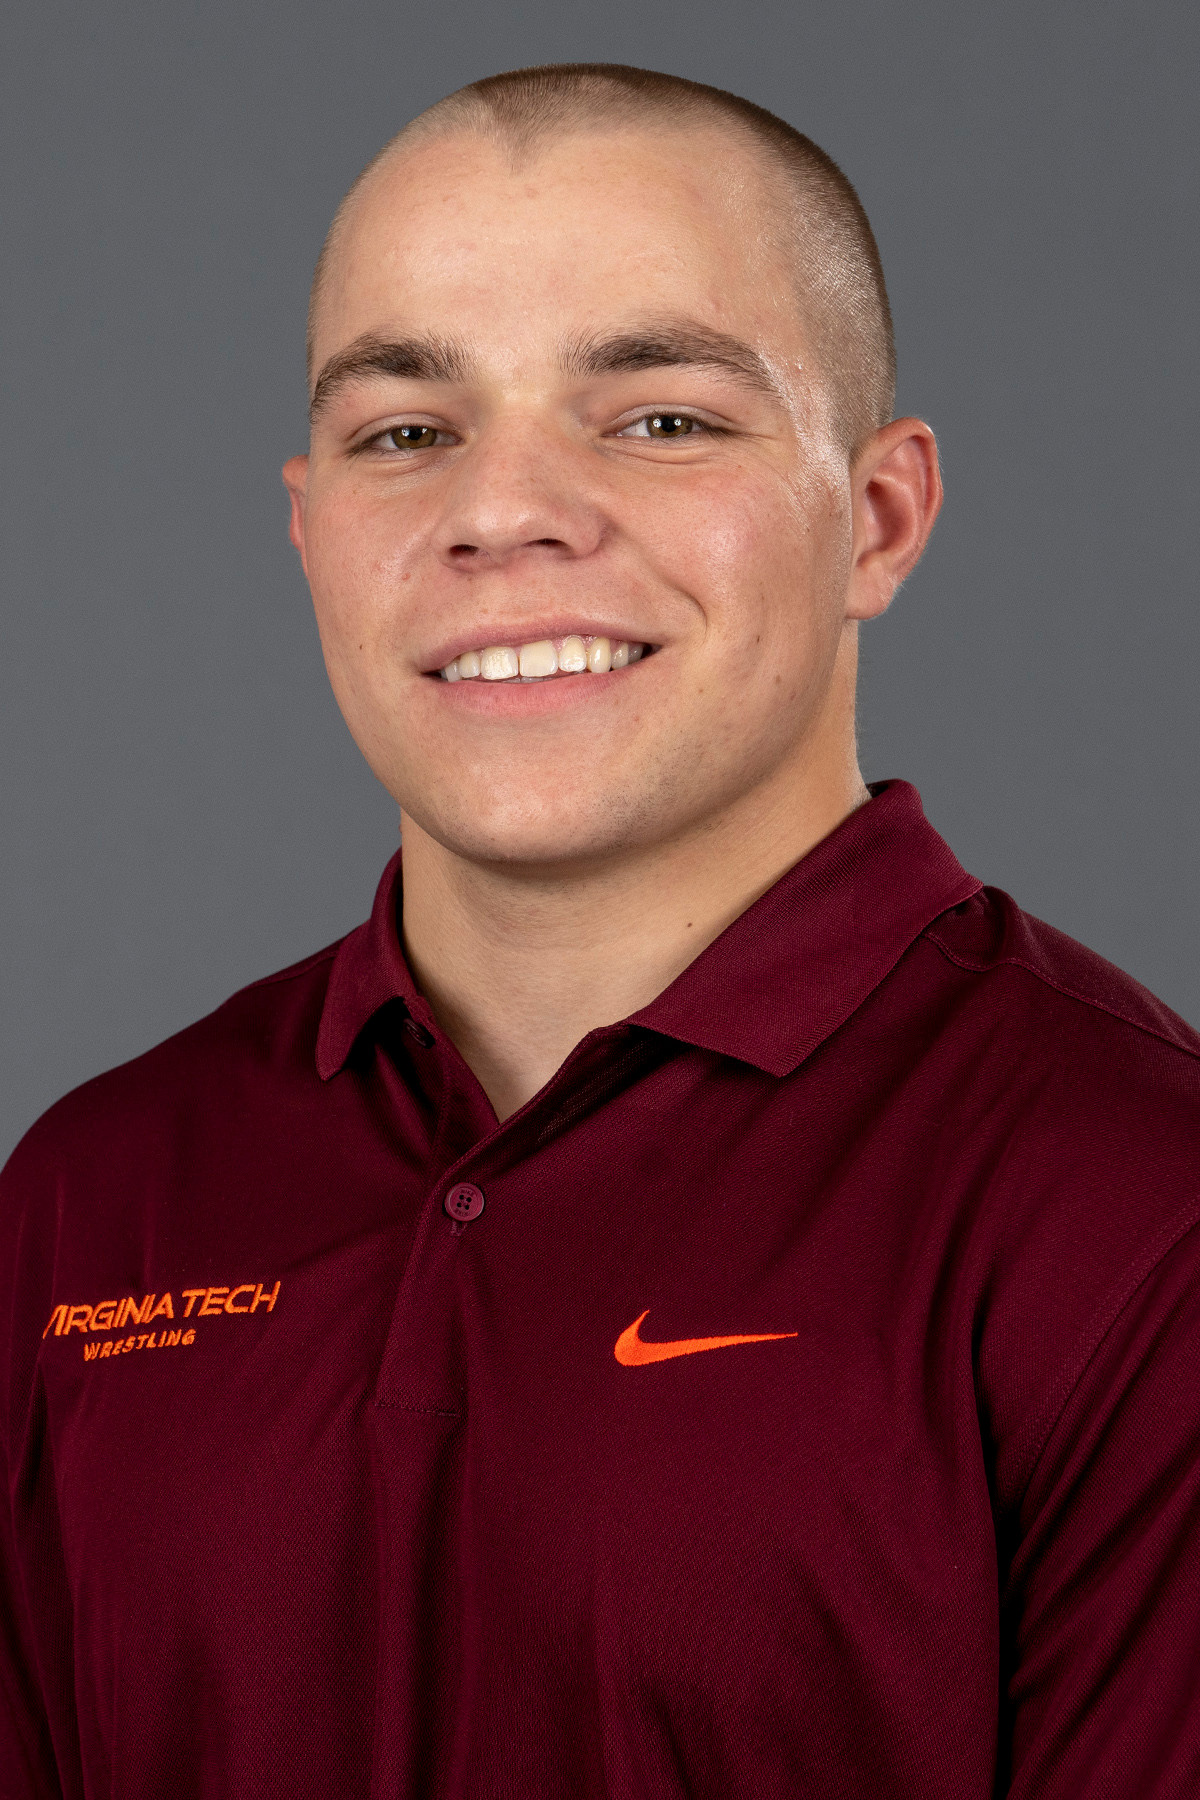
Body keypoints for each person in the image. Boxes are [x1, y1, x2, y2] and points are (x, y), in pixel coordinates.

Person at [2, 61, 1198, 1800]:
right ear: (309, 530)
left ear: (879, 519)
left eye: (660, 420)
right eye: (407, 433)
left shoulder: (1137, 1205)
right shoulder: (92, 1195)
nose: (501, 513)